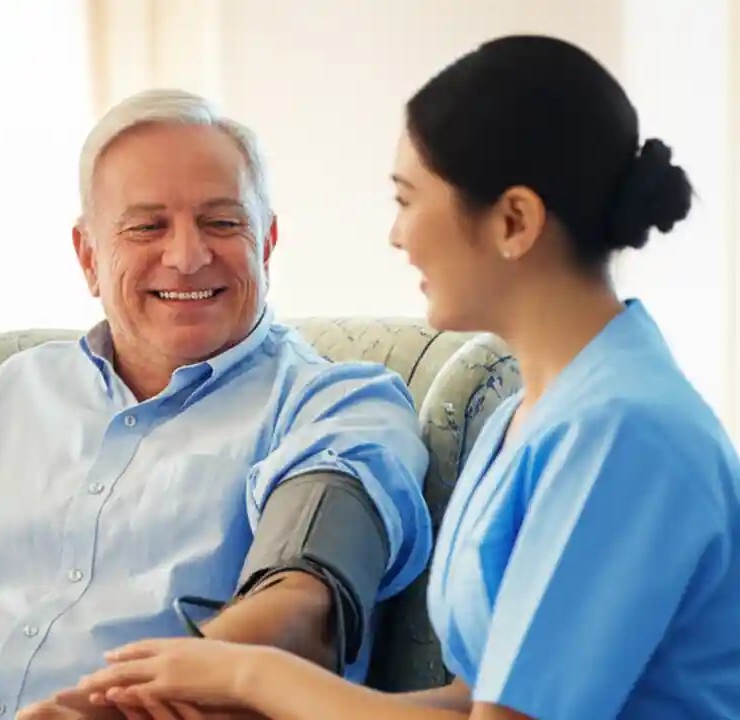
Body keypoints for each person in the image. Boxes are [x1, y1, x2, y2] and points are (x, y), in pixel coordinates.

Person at [71, 35, 740, 720]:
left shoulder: (623, 433)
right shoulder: (531, 415)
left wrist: (253, 677)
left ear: (514, 221)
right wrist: (223, 680)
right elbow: (478, 698)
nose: (398, 236)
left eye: (408, 198)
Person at [0, 89, 435, 720]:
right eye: (147, 226)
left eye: (223, 222)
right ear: (88, 256)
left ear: (269, 241)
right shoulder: (15, 391)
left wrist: (103, 710)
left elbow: (302, 606)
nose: (187, 255)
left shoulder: (337, 405)